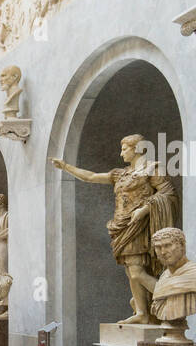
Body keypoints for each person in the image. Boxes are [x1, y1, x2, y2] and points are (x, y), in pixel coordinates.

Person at [50, 134, 177, 324]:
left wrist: (144, 209)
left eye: (125, 148)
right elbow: (91, 177)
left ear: (137, 148)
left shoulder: (152, 169)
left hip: (138, 225)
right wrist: (66, 167)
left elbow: (168, 193)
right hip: (122, 226)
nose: (121, 153)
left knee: (137, 272)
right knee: (131, 271)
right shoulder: (121, 174)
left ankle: (174, 298)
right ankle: (142, 313)